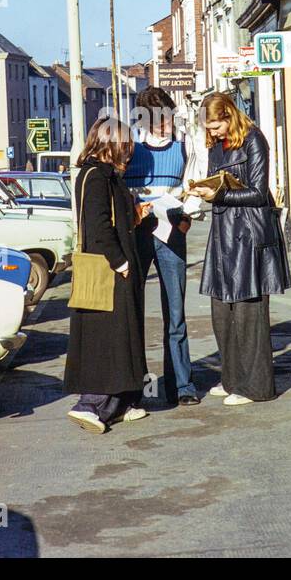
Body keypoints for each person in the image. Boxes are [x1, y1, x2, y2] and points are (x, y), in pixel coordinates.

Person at [190, 92, 290, 406]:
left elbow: (260, 193)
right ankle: (232, 379)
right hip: (223, 231)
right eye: (208, 127)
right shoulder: (217, 144)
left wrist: (217, 197)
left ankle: (256, 387)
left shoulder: (254, 140)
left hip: (249, 235)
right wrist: (205, 189)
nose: (212, 132)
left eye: (216, 125)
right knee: (222, 311)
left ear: (230, 116)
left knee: (250, 313)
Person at [64, 117, 149, 434]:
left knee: (118, 338)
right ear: (112, 146)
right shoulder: (98, 177)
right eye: (125, 148)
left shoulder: (97, 175)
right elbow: (99, 227)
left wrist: (136, 213)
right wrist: (121, 262)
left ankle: (121, 404)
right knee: (111, 340)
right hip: (108, 271)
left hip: (110, 266)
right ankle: (91, 405)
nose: (128, 155)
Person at [126, 86, 207, 407]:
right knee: (132, 313)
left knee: (175, 312)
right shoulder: (130, 146)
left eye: (169, 117)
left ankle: (182, 385)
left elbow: (196, 185)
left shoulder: (185, 144)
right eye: (158, 119)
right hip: (137, 232)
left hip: (172, 231)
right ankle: (138, 387)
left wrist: (186, 219)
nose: (165, 124)